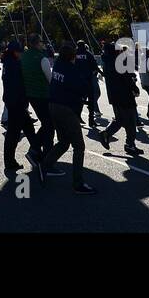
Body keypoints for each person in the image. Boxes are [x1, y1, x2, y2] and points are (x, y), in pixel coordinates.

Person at [43, 43, 103, 194]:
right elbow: (83, 88)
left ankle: (44, 165)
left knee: (63, 142)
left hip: (53, 105)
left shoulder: (57, 66)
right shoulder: (72, 70)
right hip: (66, 109)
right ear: (72, 56)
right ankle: (78, 183)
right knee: (79, 146)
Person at [0, 39, 41, 178]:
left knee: (26, 128)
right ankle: (31, 155)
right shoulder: (15, 64)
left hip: (12, 101)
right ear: (15, 52)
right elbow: (20, 84)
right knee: (15, 132)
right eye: (19, 51)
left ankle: (35, 153)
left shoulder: (7, 62)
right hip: (17, 102)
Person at [99, 39, 143, 156]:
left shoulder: (107, 62)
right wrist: (134, 87)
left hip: (114, 95)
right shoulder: (118, 62)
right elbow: (125, 77)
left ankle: (107, 134)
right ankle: (130, 144)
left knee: (120, 119)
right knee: (131, 120)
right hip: (124, 95)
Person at [20, 33, 54, 156]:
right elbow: (50, 79)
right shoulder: (42, 58)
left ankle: (35, 147)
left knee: (46, 123)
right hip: (43, 94)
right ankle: (44, 154)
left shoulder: (23, 56)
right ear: (37, 43)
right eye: (41, 42)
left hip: (30, 94)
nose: (43, 44)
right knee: (49, 124)